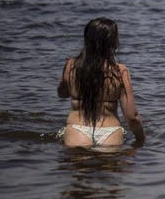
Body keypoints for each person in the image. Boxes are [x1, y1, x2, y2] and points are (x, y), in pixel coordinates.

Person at [58, 18, 145, 147]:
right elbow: (132, 117)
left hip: (77, 130)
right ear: (113, 42)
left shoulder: (71, 65)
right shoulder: (120, 71)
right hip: (110, 132)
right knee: (109, 165)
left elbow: (62, 93)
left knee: (76, 165)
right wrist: (141, 139)